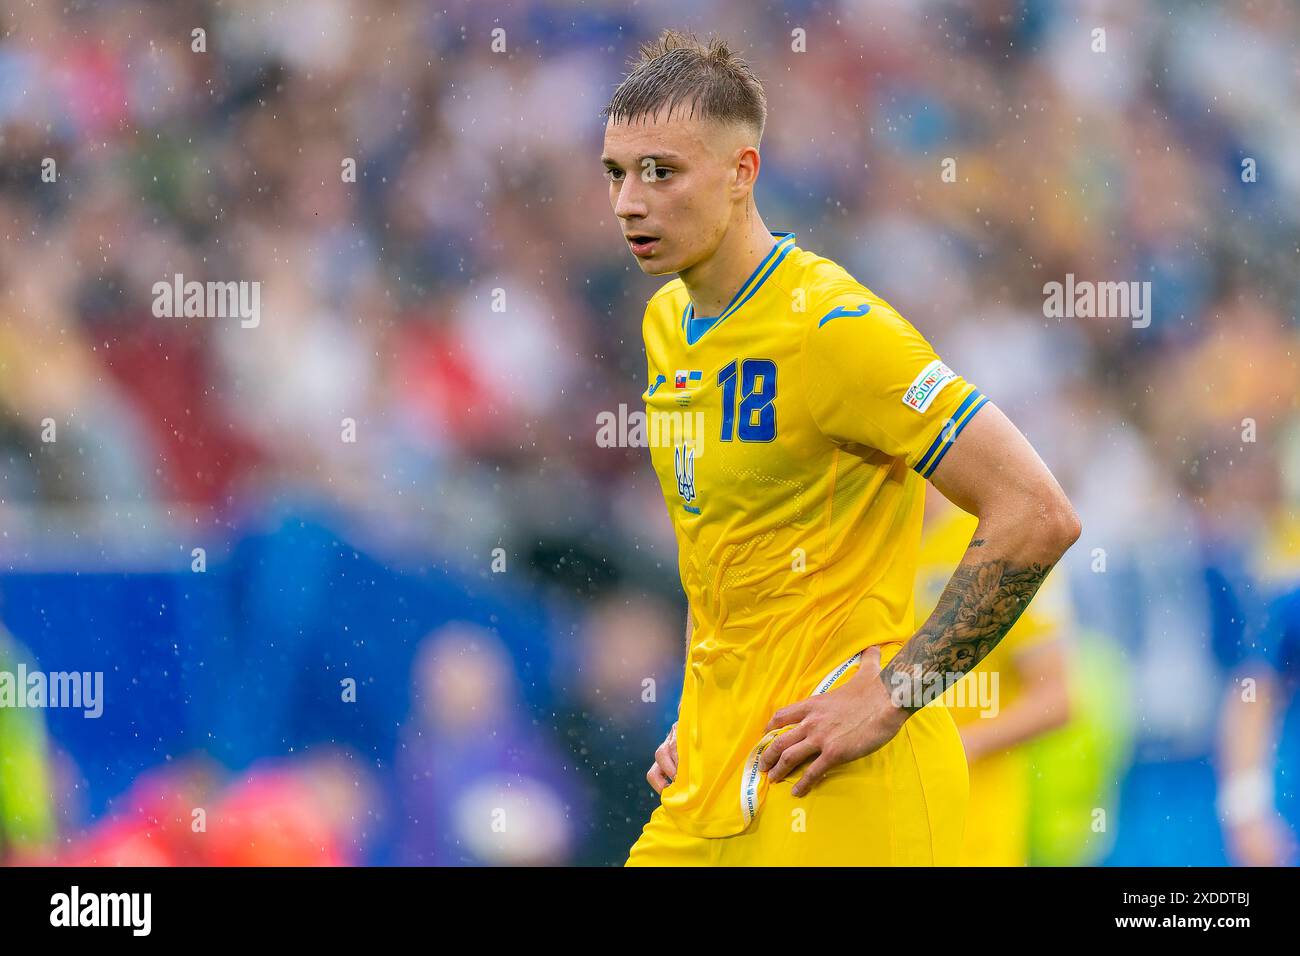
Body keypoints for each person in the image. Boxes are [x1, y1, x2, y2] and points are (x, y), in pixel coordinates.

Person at [602, 30, 1081, 866]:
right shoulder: (665, 326)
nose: (628, 203)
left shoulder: (836, 330)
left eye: (661, 172)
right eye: (616, 173)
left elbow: (1037, 513)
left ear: (743, 173)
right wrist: (700, 706)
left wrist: (898, 695)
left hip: (845, 783)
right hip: (712, 776)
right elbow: (714, 546)